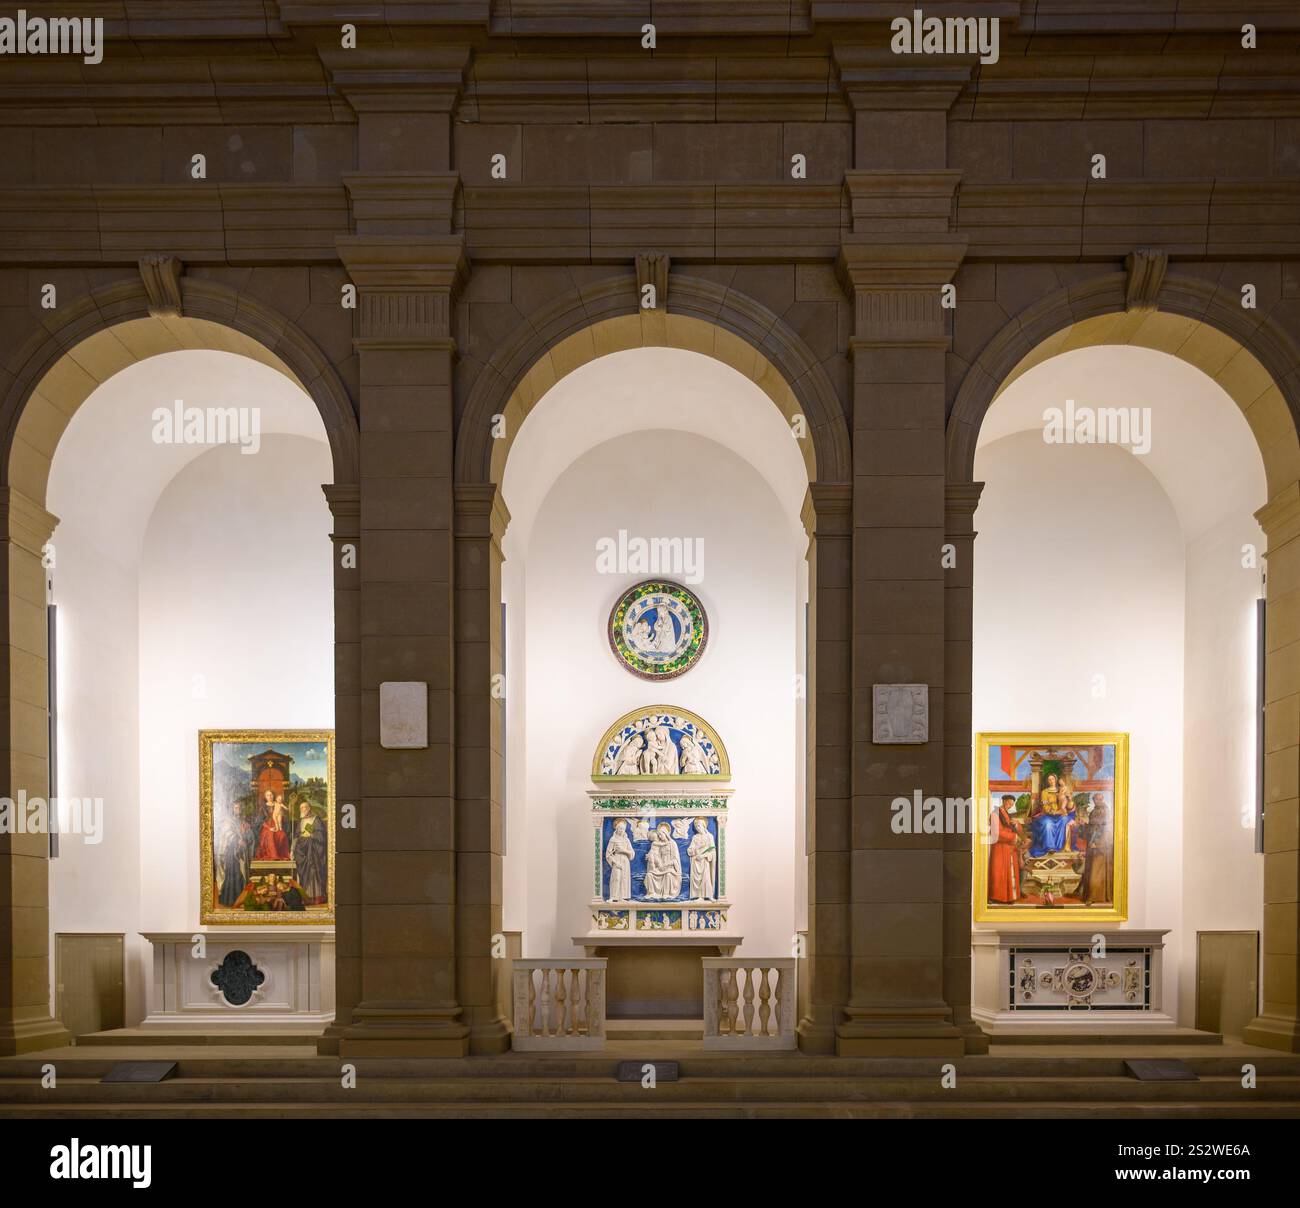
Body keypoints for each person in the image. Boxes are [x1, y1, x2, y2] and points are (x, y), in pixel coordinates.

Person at [1076, 793, 1113, 904]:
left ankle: (1093, 897)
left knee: (1095, 873)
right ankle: (1089, 896)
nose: (1095, 801)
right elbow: (1091, 828)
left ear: (1101, 799)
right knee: (1090, 871)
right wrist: (1083, 825)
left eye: (1097, 799)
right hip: (1092, 846)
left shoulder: (1105, 811)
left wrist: (1098, 844)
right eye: (1094, 799)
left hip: (1100, 847)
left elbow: (1106, 830)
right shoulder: (1093, 811)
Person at [987, 795, 1023, 904]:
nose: (1010, 806)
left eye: (1011, 804)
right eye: (1008, 803)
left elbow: (1017, 829)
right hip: (1000, 848)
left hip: (1009, 849)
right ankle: (998, 897)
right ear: (1003, 801)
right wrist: (1013, 837)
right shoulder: (995, 814)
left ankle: (1009, 898)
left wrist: (1017, 825)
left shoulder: (1008, 815)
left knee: (1009, 873)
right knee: (999, 873)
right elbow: (996, 833)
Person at [292, 801, 328, 904]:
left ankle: (317, 897)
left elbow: (321, 835)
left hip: (313, 851)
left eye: (305, 807)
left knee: (314, 872)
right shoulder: (300, 822)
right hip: (302, 851)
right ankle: (306, 897)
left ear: (309, 808)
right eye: (301, 807)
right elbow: (297, 836)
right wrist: (294, 847)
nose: (303, 809)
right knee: (304, 874)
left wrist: (312, 835)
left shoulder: (316, 819)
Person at [644, 822, 682, 899]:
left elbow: (675, 859)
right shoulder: (658, 844)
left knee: (668, 874)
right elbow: (655, 855)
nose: (660, 837)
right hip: (660, 867)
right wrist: (650, 856)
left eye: (661, 834)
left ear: (666, 834)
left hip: (670, 867)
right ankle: (651, 893)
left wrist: (666, 864)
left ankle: (666, 893)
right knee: (649, 875)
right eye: (659, 835)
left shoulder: (672, 844)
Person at [254, 791, 291, 860]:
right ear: (266, 797)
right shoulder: (263, 807)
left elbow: (283, 815)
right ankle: (274, 855)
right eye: (268, 795)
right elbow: (260, 821)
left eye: (271, 795)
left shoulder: (278, 803)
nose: (270, 797)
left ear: (273, 796)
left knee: (282, 835)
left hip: (278, 823)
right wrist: (269, 828)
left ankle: (281, 854)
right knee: (270, 835)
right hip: (267, 826)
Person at [687, 819, 716, 900]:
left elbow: (712, 850)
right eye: (696, 826)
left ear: (704, 826)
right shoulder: (695, 837)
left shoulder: (709, 836)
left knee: (706, 878)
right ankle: (699, 896)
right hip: (696, 861)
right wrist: (695, 849)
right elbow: (690, 850)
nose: (697, 828)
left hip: (704, 861)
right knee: (697, 880)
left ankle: (709, 895)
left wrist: (703, 855)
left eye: (699, 826)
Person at [605, 819, 634, 901]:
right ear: (616, 828)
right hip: (616, 860)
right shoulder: (613, 839)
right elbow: (608, 854)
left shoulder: (626, 840)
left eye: (623, 828)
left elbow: (632, 853)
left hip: (625, 861)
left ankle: (622, 897)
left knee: (624, 878)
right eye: (620, 828)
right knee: (616, 878)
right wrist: (615, 862)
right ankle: (613, 897)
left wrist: (623, 850)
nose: (621, 830)